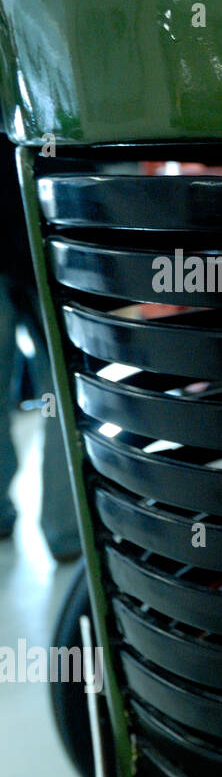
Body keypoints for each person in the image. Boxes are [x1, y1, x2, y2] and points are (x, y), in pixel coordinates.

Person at [0, 152, 79, 562]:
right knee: (60, 395)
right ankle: (65, 530)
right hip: (36, 237)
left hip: (33, 238)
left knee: (57, 396)